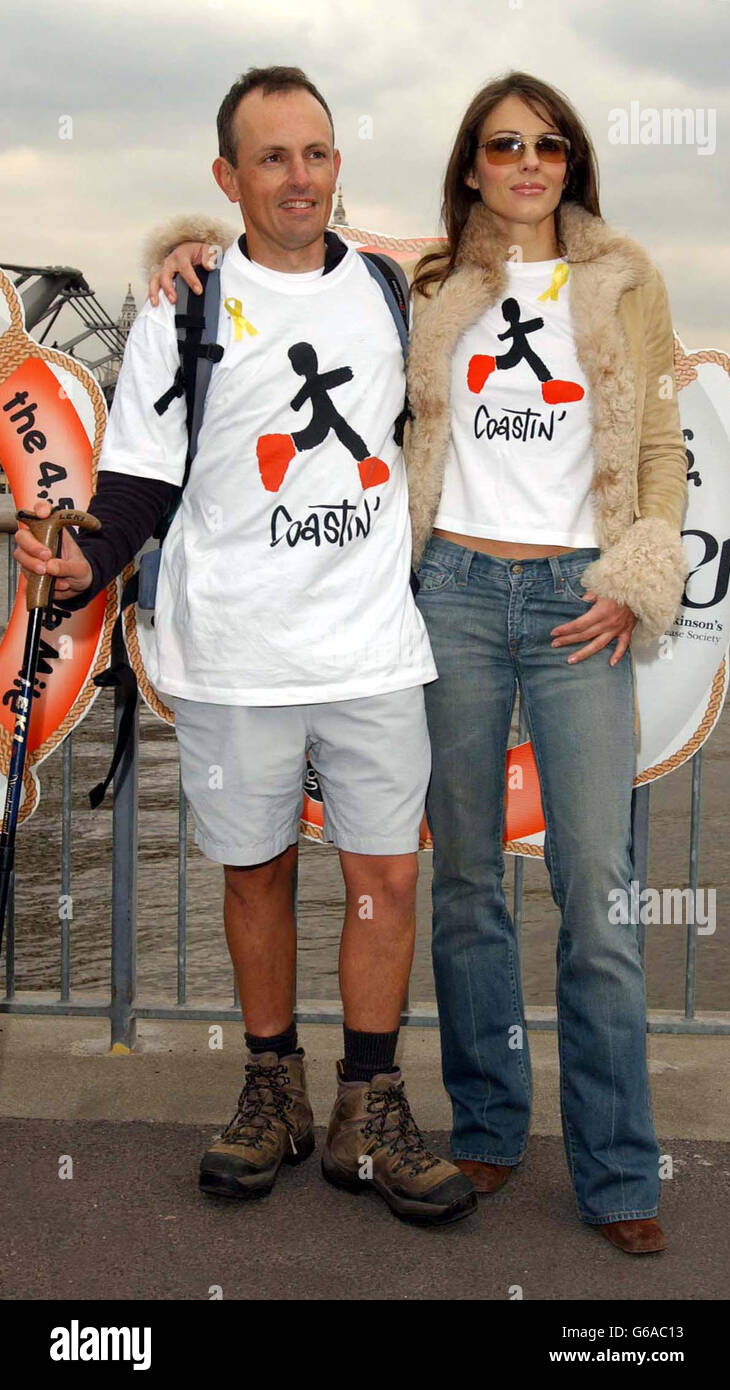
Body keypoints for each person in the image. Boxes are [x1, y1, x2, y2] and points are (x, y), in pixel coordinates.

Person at [144, 70, 689, 1254]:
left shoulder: (624, 277)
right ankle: (485, 1128)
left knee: (596, 899)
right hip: (444, 592)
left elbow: (656, 439)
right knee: (460, 888)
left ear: (573, 159)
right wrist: (185, 244)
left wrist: (638, 576)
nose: (527, 162)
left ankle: (613, 1169)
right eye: (503, 144)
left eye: (548, 144)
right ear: (472, 164)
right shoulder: (428, 279)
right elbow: (286, 242)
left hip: (575, 604)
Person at [13, 66, 476, 1228]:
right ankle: (270, 1085)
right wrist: (91, 559)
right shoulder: (185, 304)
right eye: (270, 158)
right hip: (234, 651)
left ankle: (368, 1099)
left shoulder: (384, 289)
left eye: (315, 153)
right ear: (228, 178)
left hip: (372, 645)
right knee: (254, 871)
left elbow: (504, 269)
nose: (298, 176)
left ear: (336, 166)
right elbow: (137, 474)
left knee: (382, 878)